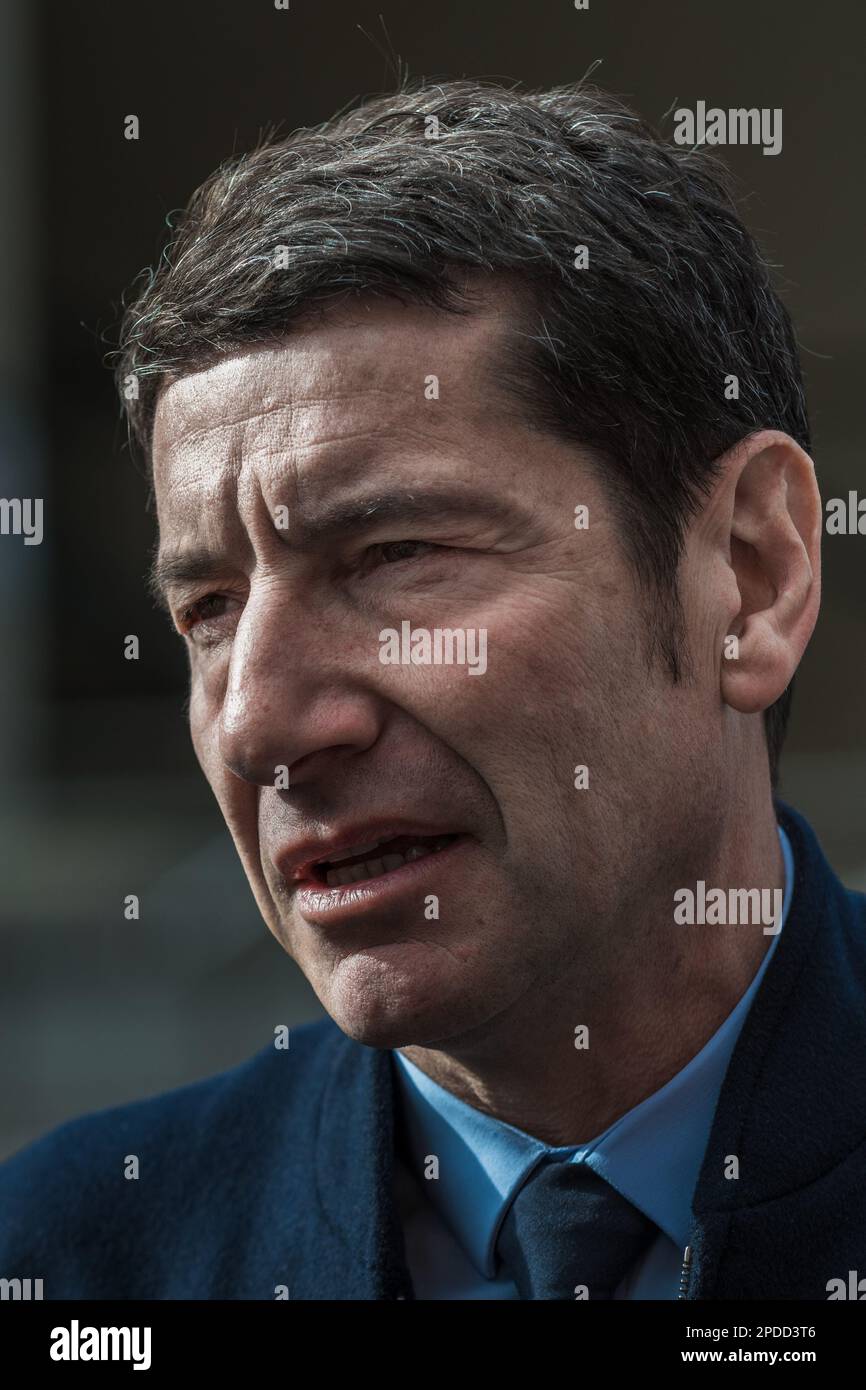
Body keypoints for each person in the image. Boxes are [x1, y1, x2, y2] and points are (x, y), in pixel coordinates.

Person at [2, 78, 864, 1301]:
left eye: (393, 556)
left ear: (748, 572)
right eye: (208, 610)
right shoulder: (65, 1262)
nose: (257, 725)